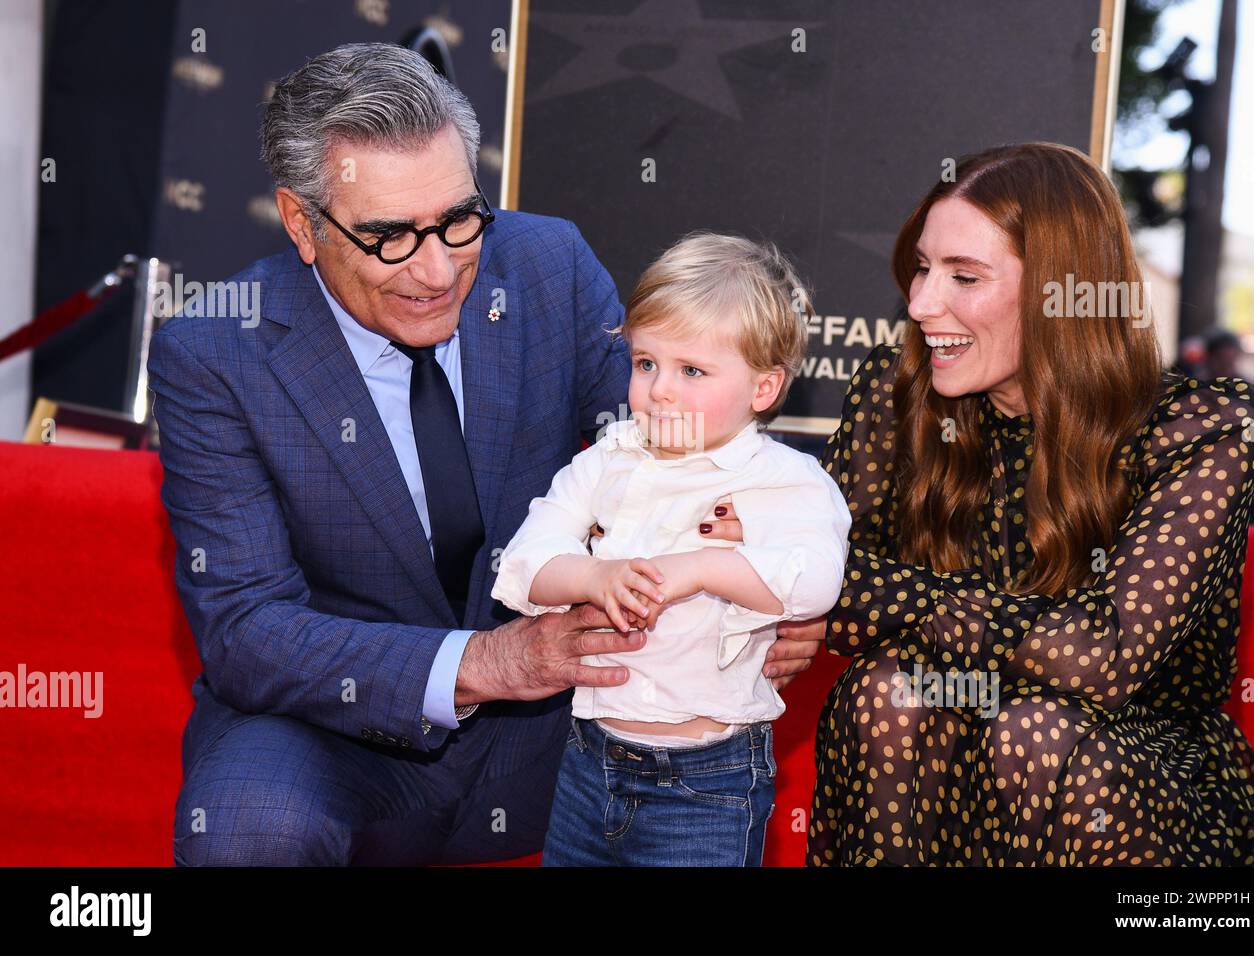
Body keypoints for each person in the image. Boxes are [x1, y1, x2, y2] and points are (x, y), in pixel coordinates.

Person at [148, 42, 819, 867]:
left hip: (570, 725)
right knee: (248, 831)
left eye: (459, 219)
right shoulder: (215, 352)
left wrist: (772, 572)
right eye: (389, 236)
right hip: (338, 729)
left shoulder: (546, 265)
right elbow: (247, 630)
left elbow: (686, 435)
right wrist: (484, 661)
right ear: (302, 223)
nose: (436, 270)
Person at [804, 142, 1254, 865]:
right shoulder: (899, 392)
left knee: (1033, 727)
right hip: (946, 732)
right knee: (890, 692)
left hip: (1129, 764)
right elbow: (816, 580)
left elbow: (1105, 654)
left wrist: (907, 601)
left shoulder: (1201, 425)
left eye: (964, 276)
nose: (921, 302)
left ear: (1061, 291)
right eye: (923, 268)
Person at [490, 234, 851, 865]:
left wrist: (702, 568)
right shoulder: (609, 458)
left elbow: (814, 582)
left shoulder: (787, 481)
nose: (658, 390)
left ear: (763, 389)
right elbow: (526, 562)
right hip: (587, 763)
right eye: (645, 362)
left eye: (692, 371)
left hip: (710, 781)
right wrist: (592, 576)